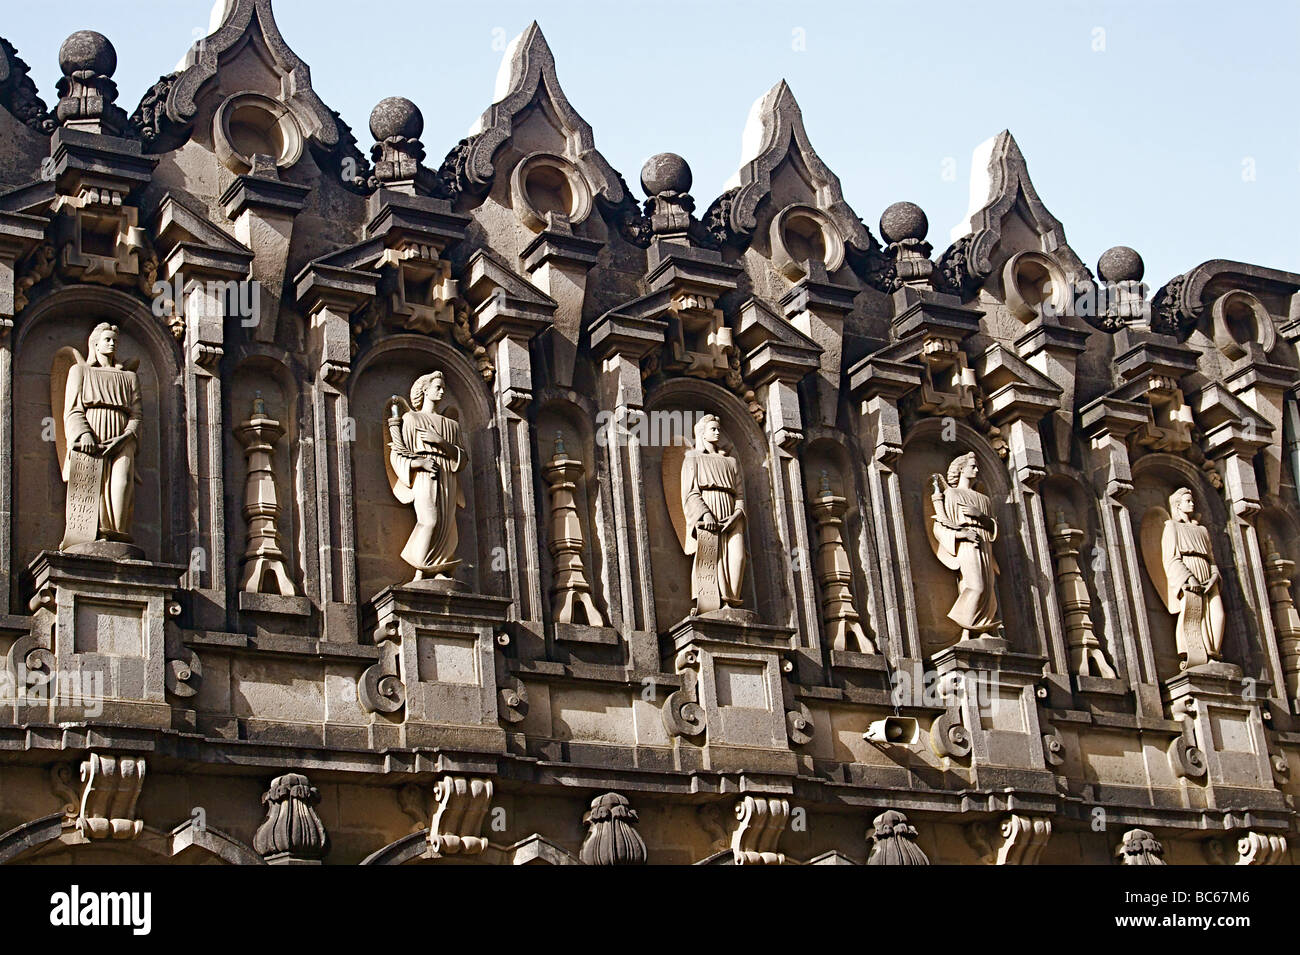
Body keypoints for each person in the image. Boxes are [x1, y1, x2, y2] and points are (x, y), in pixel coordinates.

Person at [63, 322, 142, 542]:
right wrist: (83, 434)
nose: (112, 343)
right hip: (92, 435)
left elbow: (137, 414)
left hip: (123, 438)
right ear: (95, 343)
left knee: (122, 482)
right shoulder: (80, 371)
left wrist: (127, 434)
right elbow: (72, 409)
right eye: (107, 339)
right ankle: (94, 533)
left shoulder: (129, 377)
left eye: (115, 341)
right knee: (94, 486)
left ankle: (118, 534)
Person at [389, 371, 466, 581]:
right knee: (429, 520)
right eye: (437, 387)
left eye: (443, 388)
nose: (442, 391)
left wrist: (440, 442)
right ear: (425, 390)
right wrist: (419, 463)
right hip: (425, 474)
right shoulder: (411, 419)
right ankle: (420, 569)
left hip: (447, 474)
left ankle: (439, 569)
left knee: (446, 523)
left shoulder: (452, 425)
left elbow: (463, 457)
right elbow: (398, 453)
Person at [930, 452, 1000, 639]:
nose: (977, 470)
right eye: (972, 466)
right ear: (961, 469)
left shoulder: (983, 499)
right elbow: (941, 525)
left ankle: (983, 628)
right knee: (975, 585)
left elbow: (993, 526)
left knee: (988, 587)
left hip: (984, 542)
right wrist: (962, 535)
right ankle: (967, 630)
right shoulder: (951, 494)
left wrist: (980, 516)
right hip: (968, 544)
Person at [681, 414, 746, 612]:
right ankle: (715, 603)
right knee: (712, 557)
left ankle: (732, 600)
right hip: (708, 511)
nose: (718, 432)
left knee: (739, 556)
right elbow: (690, 492)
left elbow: (741, 495)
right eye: (713, 429)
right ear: (702, 433)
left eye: (719, 429)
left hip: (732, 516)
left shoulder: (731, 462)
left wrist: (737, 514)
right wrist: (705, 514)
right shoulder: (693, 458)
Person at [1161, 487, 1224, 664]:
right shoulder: (1171, 527)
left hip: (1208, 576)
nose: (1192, 503)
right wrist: (1189, 578)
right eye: (1187, 500)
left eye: (1192, 500)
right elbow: (1171, 558)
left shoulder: (1202, 530)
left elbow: (1211, 559)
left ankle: (1214, 653)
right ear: (1178, 505)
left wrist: (1214, 576)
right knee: (1195, 615)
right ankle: (1199, 656)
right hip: (1189, 574)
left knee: (1217, 615)